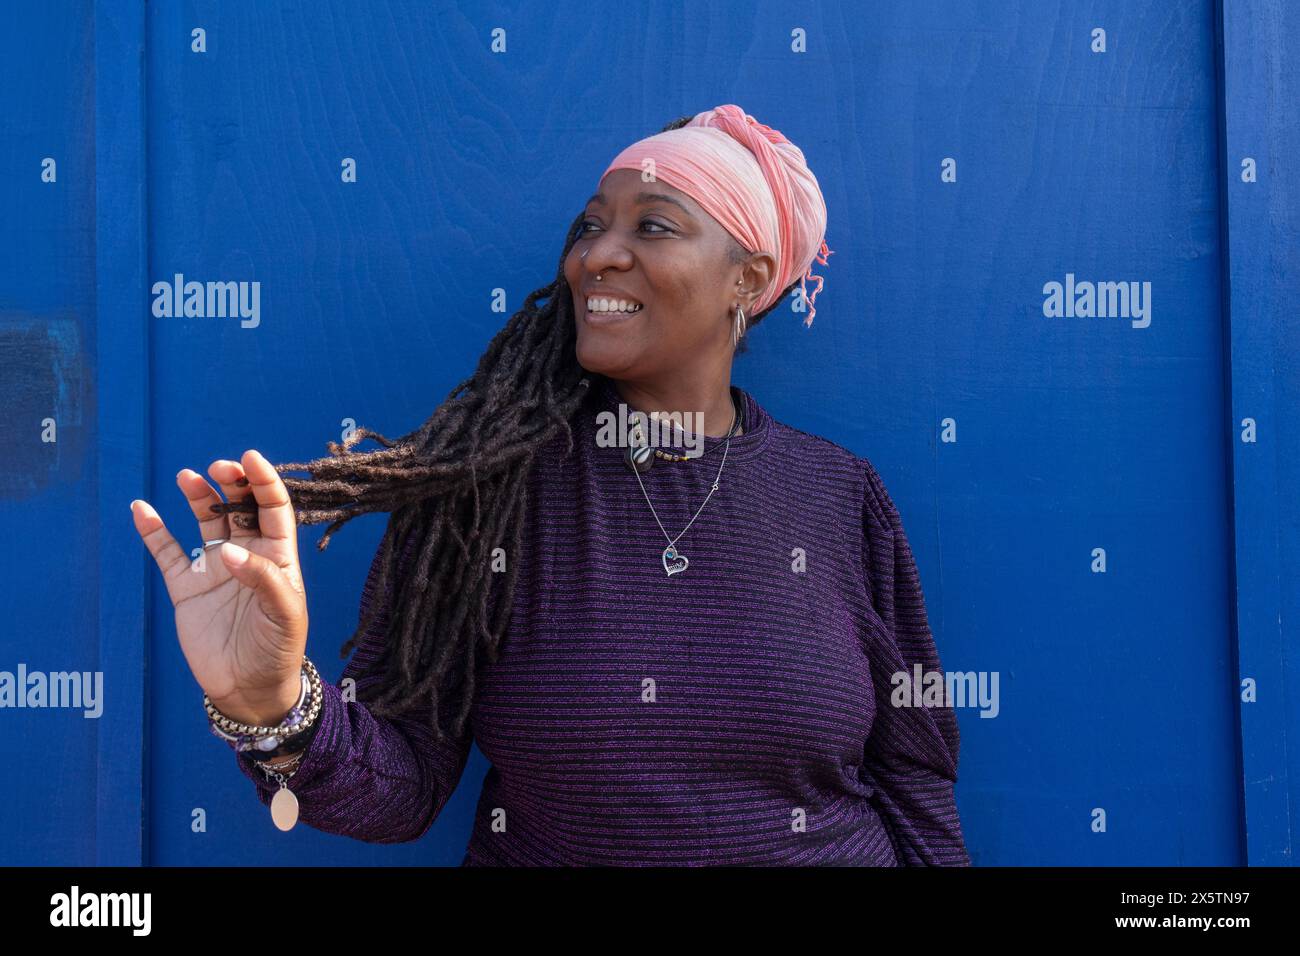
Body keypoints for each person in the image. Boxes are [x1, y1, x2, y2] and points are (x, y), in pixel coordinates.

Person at [130, 105, 970, 865]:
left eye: (654, 226)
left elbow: (916, 778)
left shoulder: (839, 493)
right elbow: (400, 792)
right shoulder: (481, 491)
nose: (599, 255)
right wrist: (275, 704)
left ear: (747, 280)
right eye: (591, 227)